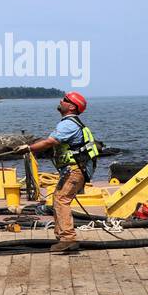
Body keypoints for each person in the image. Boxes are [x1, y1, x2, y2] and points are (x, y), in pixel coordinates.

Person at [21, 92, 99, 255]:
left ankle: (67, 239)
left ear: (71, 106)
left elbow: (51, 141)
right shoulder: (72, 123)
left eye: (65, 100)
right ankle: (63, 238)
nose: (60, 101)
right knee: (59, 198)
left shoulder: (69, 124)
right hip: (75, 169)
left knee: (61, 199)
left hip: (74, 170)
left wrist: (29, 148)